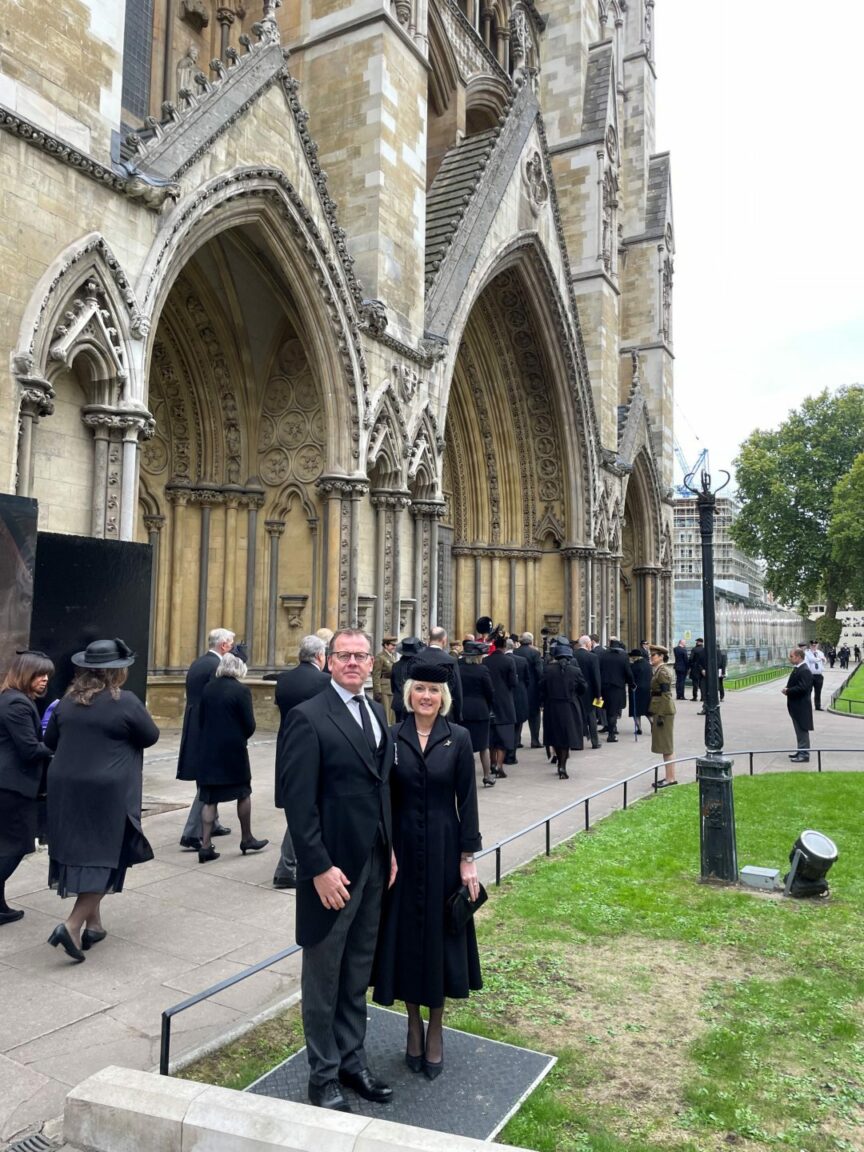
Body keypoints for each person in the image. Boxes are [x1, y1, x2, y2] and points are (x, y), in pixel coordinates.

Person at [280, 628, 396, 1113]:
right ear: (328, 662)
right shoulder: (309, 717)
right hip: (332, 869)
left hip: (371, 860)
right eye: (343, 656)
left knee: (355, 970)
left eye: (360, 656)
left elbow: (380, 786)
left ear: (372, 663)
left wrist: (388, 849)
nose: (352, 663)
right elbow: (297, 803)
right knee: (323, 976)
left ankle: (353, 1059)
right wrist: (318, 867)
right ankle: (322, 1076)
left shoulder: (376, 712)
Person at [372, 663, 482, 1079]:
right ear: (409, 695)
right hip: (401, 850)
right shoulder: (393, 736)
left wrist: (467, 858)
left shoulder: (458, 738)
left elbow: (467, 801)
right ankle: (412, 1023)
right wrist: (387, 848)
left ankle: (435, 1028)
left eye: (433, 691)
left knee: (437, 937)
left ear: (443, 697)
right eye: (419, 689)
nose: (426, 697)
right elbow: (384, 794)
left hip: (442, 847)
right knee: (405, 937)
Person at [44, 638, 159, 962]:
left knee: (84, 851)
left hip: (65, 786)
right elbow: (150, 736)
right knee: (106, 855)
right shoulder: (126, 702)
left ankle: (94, 925)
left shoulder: (67, 701)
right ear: (117, 672)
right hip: (106, 790)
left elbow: (51, 739)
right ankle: (72, 924)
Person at [196, 652, 267, 864]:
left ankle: (205, 846)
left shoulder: (208, 688)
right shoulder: (241, 690)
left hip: (209, 750)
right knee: (243, 793)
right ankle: (246, 838)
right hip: (233, 751)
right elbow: (250, 725)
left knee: (209, 798)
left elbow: (201, 719)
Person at [0, 649, 54, 924]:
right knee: (17, 845)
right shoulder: (17, 704)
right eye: (39, 674)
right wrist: (56, 746)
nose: (45, 679)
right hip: (13, 786)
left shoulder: (12, 699)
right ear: (25, 674)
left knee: (6, 844)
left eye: (47, 675)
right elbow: (30, 750)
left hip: (9, 784)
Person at [272, 634, 330, 889]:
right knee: (309, 805)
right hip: (316, 748)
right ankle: (288, 865)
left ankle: (290, 863)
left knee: (297, 801)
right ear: (320, 656)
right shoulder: (324, 681)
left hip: (286, 745)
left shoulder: (284, 680)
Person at [176, 627, 235, 850]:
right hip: (207, 727)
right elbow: (218, 698)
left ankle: (214, 821)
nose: (233, 647)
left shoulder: (198, 663)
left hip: (194, 724)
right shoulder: (216, 666)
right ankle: (192, 832)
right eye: (231, 643)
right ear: (224, 646)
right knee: (209, 780)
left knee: (205, 777)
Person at [540, 641, 586, 779]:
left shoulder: (548, 669)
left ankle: (560, 762)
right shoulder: (575, 671)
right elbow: (583, 688)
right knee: (566, 737)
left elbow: (541, 687)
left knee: (555, 735)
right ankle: (562, 765)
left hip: (552, 706)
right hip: (569, 706)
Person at [457, 640, 496, 786]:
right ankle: (487, 776)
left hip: (462, 710)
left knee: (464, 745)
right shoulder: (482, 670)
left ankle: (464, 776)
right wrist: (490, 703)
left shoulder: (459, 669)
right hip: (480, 710)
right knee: (483, 745)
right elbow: (489, 691)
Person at [484, 634, 517, 777]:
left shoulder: (485, 660)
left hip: (489, 701)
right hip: (505, 701)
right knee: (504, 736)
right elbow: (513, 683)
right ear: (504, 647)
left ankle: (492, 762)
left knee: (491, 735)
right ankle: (499, 766)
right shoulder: (509, 661)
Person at [419, 627, 463, 723]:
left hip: (420, 709)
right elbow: (457, 690)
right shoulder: (450, 661)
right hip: (443, 710)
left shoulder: (417, 658)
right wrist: (458, 714)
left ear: (429, 639)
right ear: (444, 640)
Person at [648, 645, 677, 787]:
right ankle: (669, 777)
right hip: (661, 710)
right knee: (665, 746)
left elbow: (666, 695)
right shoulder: (659, 670)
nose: (651, 657)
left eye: (653, 655)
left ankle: (670, 778)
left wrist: (660, 714)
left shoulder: (662, 672)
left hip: (663, 711)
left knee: (667, 746)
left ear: (660, 656)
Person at [598, 638, 634, 743]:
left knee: (606, 710)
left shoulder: (602, 655)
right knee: (613, 712)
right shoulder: (623, 657)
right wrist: (632, 683)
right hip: (617, 688)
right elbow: (628, 672)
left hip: (604, 687)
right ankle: (611, 734)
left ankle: (610, 730)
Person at [513, 632, 544, 747]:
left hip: (519, 687)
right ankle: (534, 740)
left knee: (518, 714)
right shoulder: (535, 653)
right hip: (532, 688)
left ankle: (516, 740)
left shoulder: (515, 652)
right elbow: (539, 672)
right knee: (534, 715)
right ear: (531, 641)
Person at [783, 648, 813, 763]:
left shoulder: (804, 670)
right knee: (799, 730)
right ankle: (800, 750)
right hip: (796, 705)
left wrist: (788, 690)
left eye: (791, 656)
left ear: (798, 657)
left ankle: (804, 754)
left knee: (802, 729)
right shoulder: (799, 668)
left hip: (801, 706)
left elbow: (803, 688)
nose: (790, 658)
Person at [574, 636, 602, 749]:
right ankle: (595, 742)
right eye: (590, 643)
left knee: (577, 716)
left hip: (575, 691)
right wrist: (598, 694)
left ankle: (577, 743)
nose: (591, 645)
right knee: (591, 716)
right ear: (586, 644)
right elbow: (596, 678)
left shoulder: (573, 655)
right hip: (590, 692)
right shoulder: (592, 657)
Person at [506, 637, 530, 763]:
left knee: (504, 727)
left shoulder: (494, 660)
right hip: (520, 695)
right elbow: (527, 679)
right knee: (517, 727)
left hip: (504, 697)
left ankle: (503, 754)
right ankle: (512, 754)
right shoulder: (522, 660)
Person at [391, 637, 424, 722]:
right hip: (413, 703)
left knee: (398, 728)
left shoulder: (395, 665)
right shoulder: (418, 666)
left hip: (398, 702)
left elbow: (392, 687)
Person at [372, 636, 398, 724]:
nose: (394, 647)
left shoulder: (392, 657)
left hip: (391, 688)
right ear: (386, 645)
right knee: (385, 715)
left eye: (395, 645)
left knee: (391, 715)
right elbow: (376, 675)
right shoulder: (380, 657)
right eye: (392, 645)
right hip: (383, 690)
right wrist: (377, 692)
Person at [627, 648, 652, 736]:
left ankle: (639, 729)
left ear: (635, 657)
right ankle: (652, 724)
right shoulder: (648, 665)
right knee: (647, 710)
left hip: (635, 690)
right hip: (647, 689)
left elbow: (630, 679)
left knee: (636, 711)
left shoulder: (633, 666)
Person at [804, 640, 826, 711]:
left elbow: (824, 661)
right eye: (812, 645)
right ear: (810, 645)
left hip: (819, 675)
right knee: (808, 691)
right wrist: (820, 659)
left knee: (818, 692)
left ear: (817, 645)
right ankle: (807, 706)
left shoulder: (820, 653)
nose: (814, 646)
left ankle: (818, 706)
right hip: (810, 675)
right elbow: (811, 660)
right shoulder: (807, 653)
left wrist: (823, 660)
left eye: (815, 645)